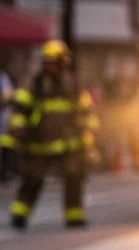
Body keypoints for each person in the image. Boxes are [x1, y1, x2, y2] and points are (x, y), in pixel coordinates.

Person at [7, 39, 99, 229]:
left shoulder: (73, 84)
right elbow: (20, 110)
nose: (54, 66)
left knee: (74, 179)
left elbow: (86, 111)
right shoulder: (34, 83)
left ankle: (74, 216)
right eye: (50, 61)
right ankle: (19, 215)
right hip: (39, 143)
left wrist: (88, 134)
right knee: (32, 180)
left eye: (57, 61)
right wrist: (19, 130)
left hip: (69, 143)